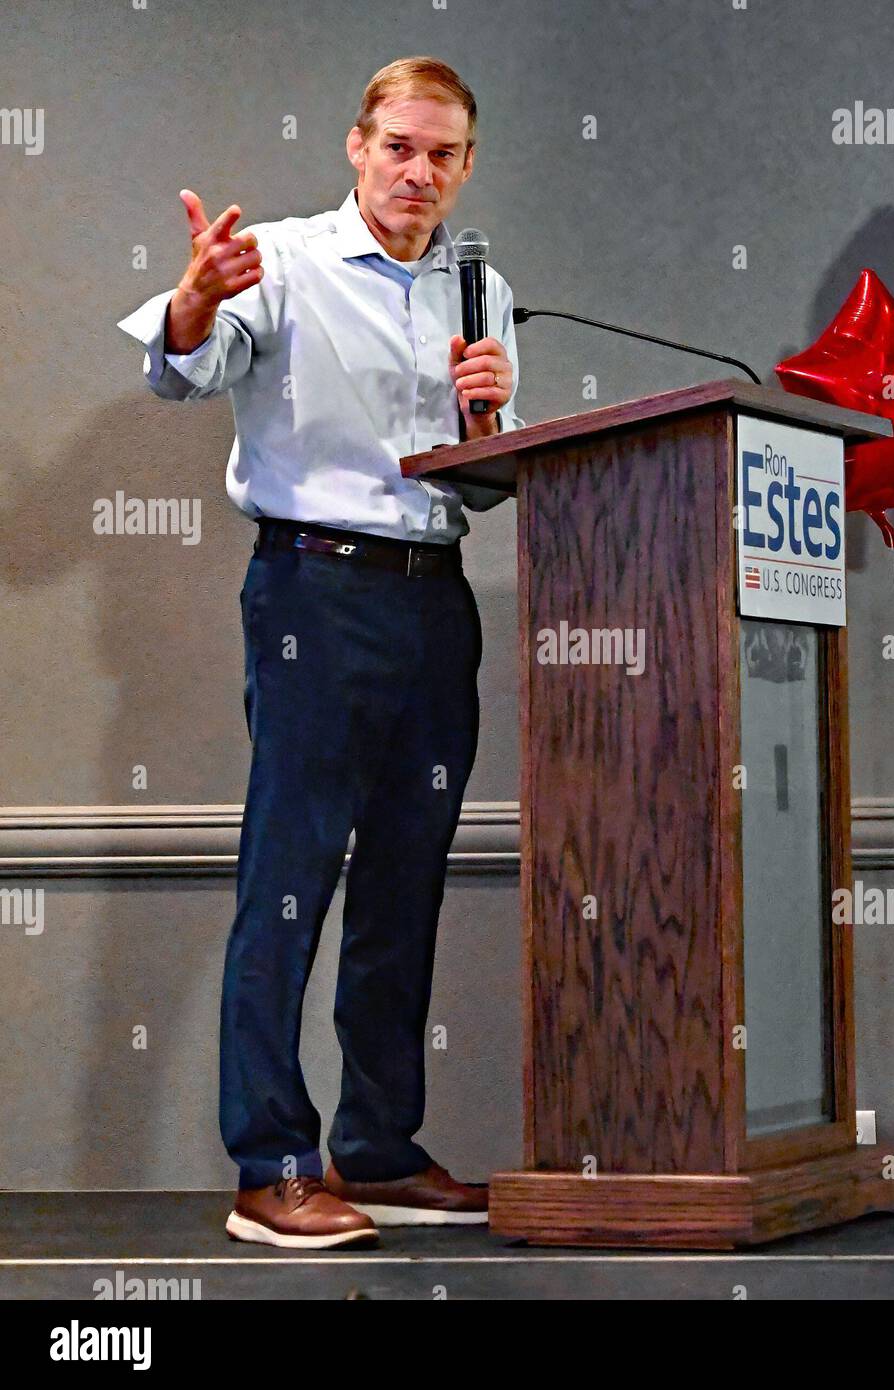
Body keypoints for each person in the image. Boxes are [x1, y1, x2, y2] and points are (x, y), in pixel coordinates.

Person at [116, 56, 523, 1249]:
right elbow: (182, 368)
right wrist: (194, 300)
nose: (417, 172)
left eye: (441, 154)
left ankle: (379, 1148)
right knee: (290, 876)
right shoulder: (282, 260)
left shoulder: (480, 289)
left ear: (466, 166)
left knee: (406, 880)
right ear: (357, 146)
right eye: (398, 146)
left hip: (434, 600)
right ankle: (271, 1165)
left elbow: (487, 480)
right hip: (314, 591)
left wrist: (493, 417)